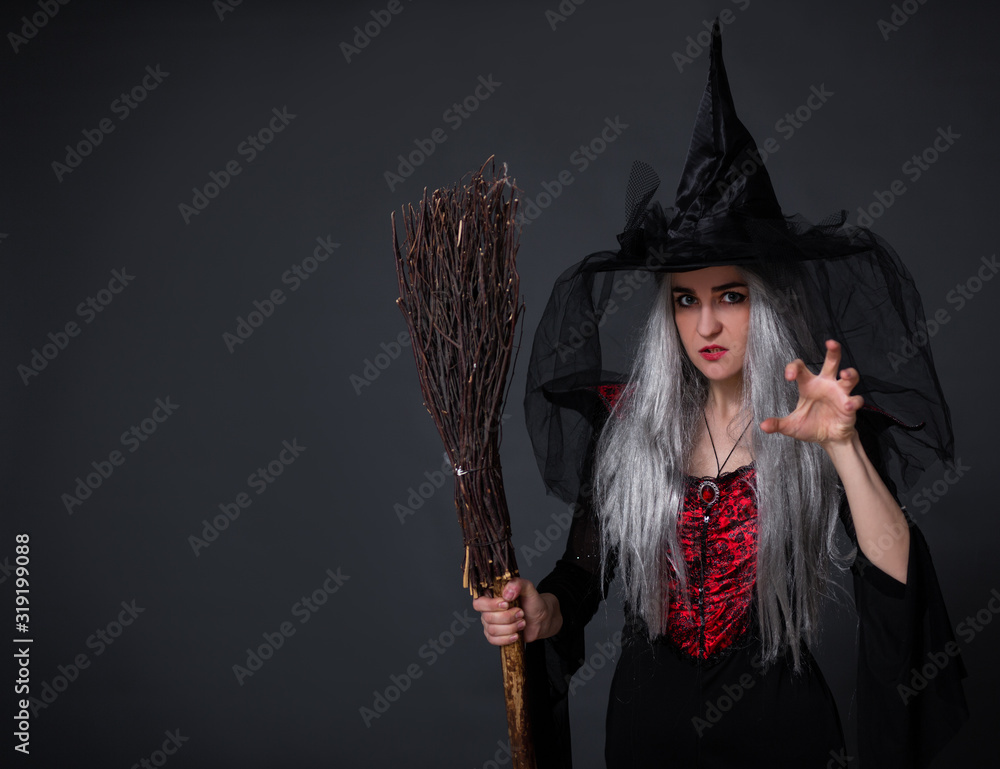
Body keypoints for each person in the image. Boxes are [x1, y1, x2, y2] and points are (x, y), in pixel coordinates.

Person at [473, 19, 968, 769]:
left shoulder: (810, 416)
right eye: (684, 299)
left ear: (763, 304)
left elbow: (895, 572)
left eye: (730, 296)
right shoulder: (632, 427)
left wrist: (843, 448)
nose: (705, 323)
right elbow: (584, 574)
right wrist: (543, 611)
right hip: (646, 733)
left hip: (784, 733)